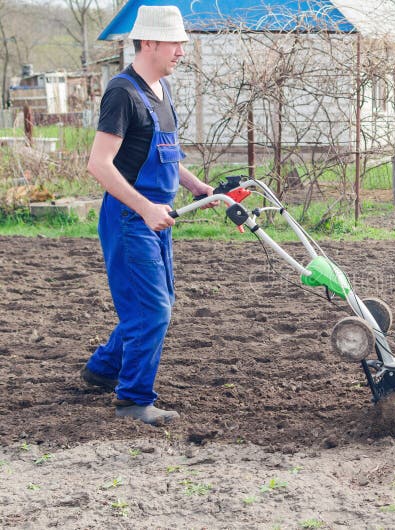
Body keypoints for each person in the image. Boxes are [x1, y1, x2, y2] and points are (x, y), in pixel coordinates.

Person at [81, 5, 214, 425]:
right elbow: (99, 164)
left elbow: (160, 154)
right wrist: (144, 207)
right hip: (130, 216)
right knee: (153, 310)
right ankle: (133, 400)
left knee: (157, 303)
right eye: (175, 43)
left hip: (156, 217)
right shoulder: (123, 92)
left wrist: (195, 186)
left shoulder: (160, 90)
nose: (181, 51)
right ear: (150, 42)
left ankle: (103, 368)